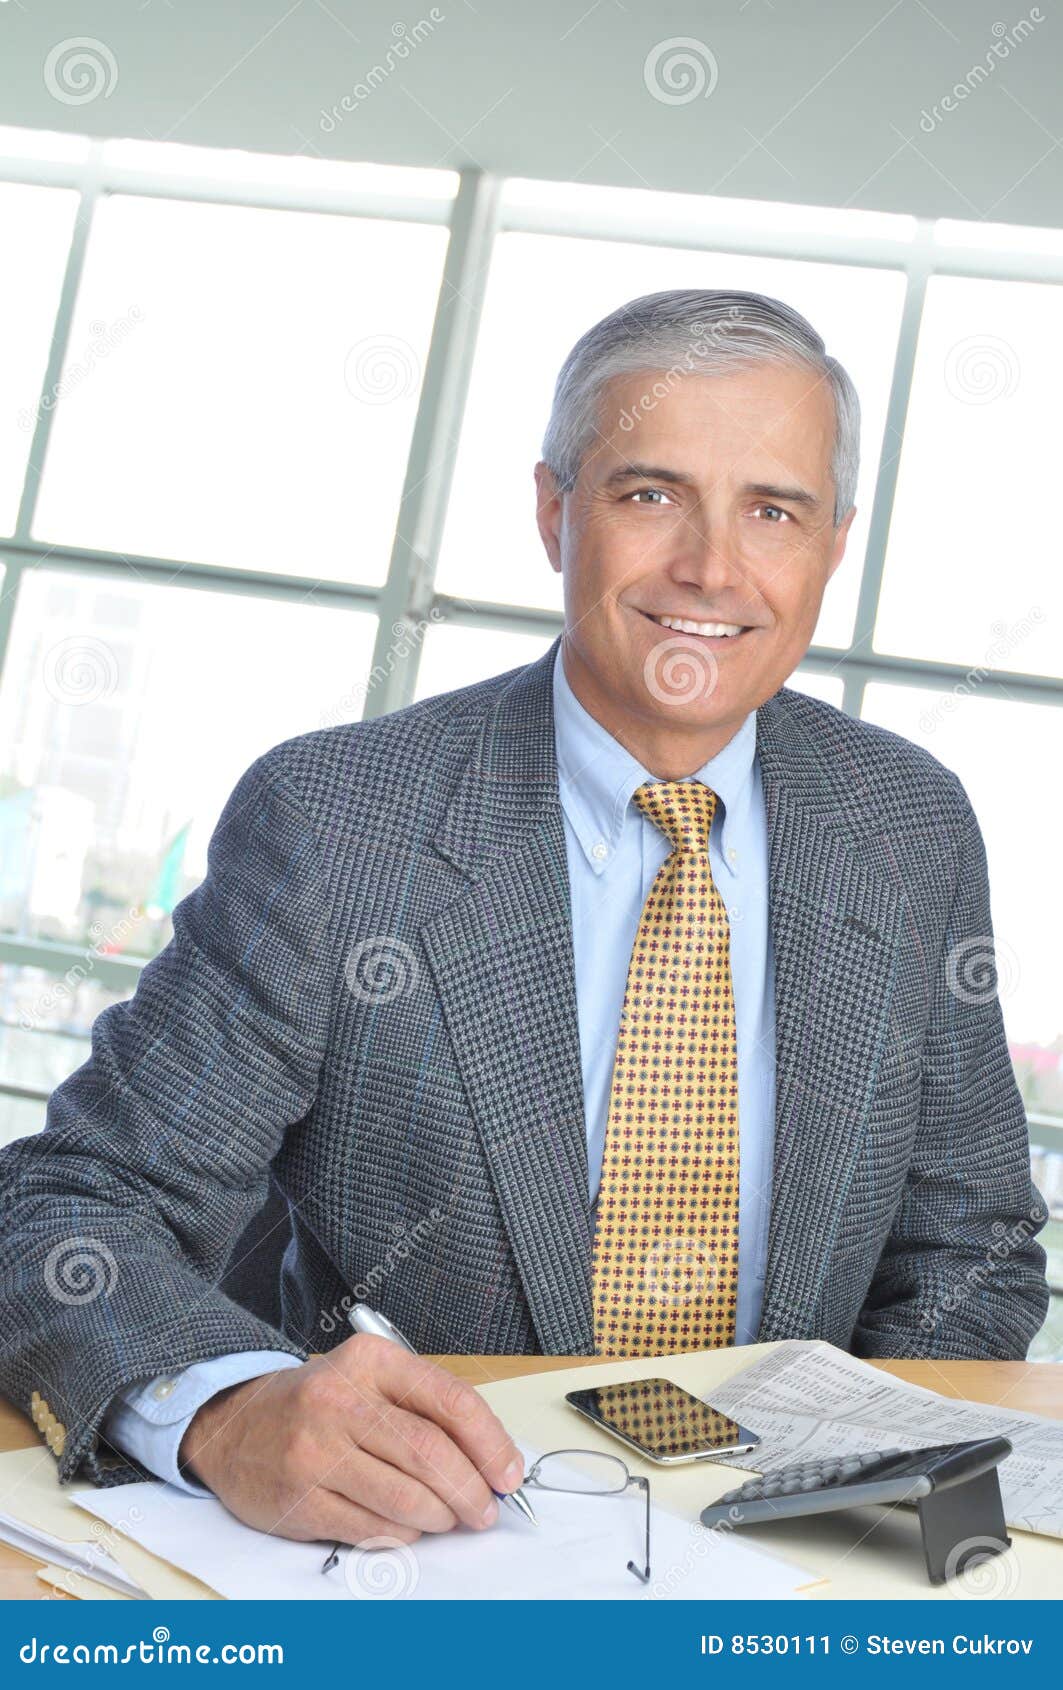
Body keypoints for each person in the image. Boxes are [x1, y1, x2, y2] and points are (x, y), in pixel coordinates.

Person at [0, 289, 1047, 1557]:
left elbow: (973, 1242)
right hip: (424, 1554)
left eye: (772, 510)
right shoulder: (342, 821)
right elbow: (68, 1207)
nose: (711, 568)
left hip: (791, 1571)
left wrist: (850, 1486)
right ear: (555, 511)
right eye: (649, 494)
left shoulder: (908, 828)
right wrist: (225, 1409)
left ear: (832, 544)